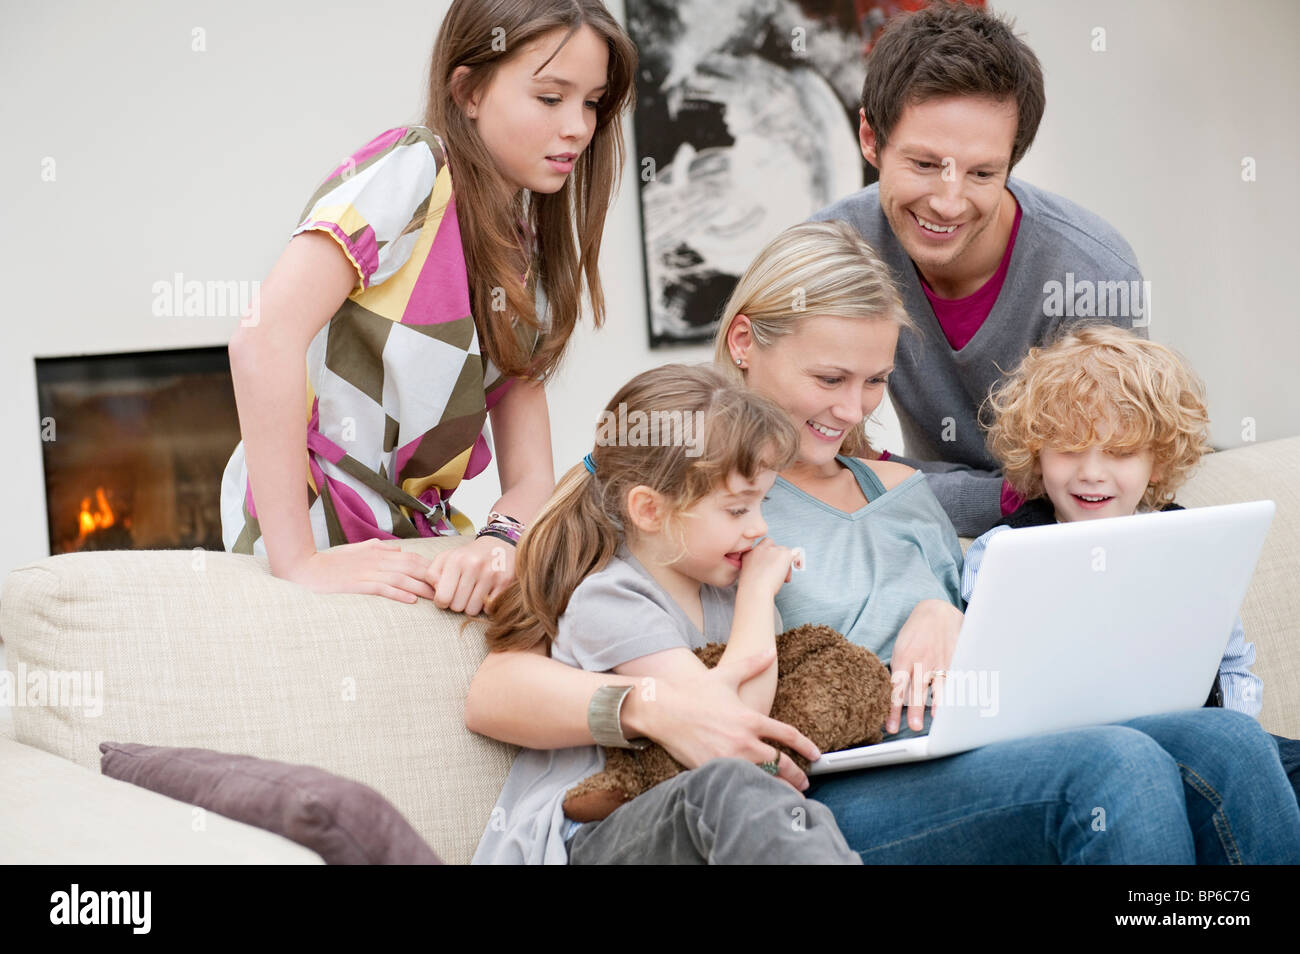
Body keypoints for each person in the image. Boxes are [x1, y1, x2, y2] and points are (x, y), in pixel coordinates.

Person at [710, 219, 1300, 863]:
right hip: (834, 789)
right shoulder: (709, 504)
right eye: (829, 379)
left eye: (875, 380)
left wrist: (942, 613)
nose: (855, 410)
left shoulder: (905, 491)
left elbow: (992, 641)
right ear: (744, 341)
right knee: (1118, 764)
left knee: (1232, 743)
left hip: (966, 749)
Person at [220, 0, 636, 614]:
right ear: (467, 90)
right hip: (307, 528)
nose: (577, 126)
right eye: (551, 98)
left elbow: (529, 478)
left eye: (593, 102)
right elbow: (262, 338)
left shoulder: (528, 250)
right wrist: (299, 563)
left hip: (414, 538)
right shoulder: (412, 168)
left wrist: (500, 542)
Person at [472, 364, 860, 864]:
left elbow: (741, 732)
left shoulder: (724, 593)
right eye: (738, 509)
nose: (760, 528)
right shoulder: (609, 597)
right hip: (586, 839)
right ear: (650, 510)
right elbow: (735, 722)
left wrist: (751, 599)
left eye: (762, 504)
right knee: (726, 790)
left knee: (799, 811)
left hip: (675, 821)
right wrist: (759, 596)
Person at [811, 1, 1147, 537]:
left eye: (982, 173)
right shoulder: (828, 254)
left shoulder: (1092, 274)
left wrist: (896, 486)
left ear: (1012, 162)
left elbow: (1095, 489)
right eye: (924, 164)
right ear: (871, 140)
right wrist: (987, 495)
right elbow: (800, 467)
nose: (948, 203)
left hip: (1056, 537)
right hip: (909, 533)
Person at [964, 323, 1300, 801]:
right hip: (1098, 763)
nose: (1092, 472)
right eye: (1070, 448)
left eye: (1121, 453)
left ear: (1157, 462)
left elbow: (1232, 664)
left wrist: (1238, 738)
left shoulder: (1192, 541)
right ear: (1038, 455)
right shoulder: (999, 553)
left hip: (1212, 746)